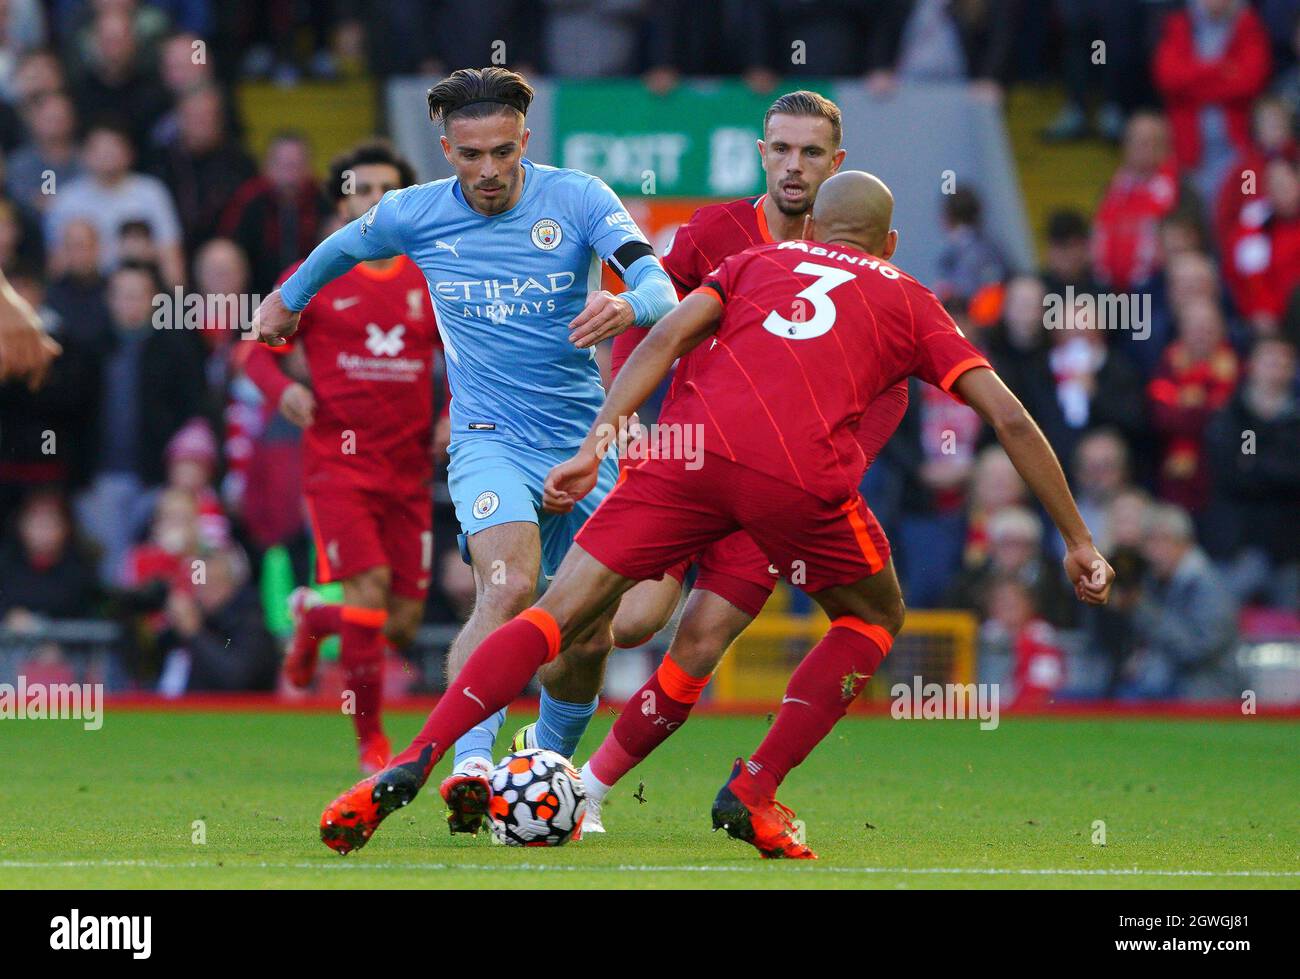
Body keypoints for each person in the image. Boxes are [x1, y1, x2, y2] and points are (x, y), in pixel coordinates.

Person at [313, 170, 1114, 860]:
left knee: (559, 612)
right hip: (794, 478)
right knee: (873, 617)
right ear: (889, 241)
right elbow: (1006, 417)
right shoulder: (911, 299)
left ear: (818, 219)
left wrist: (600, 442)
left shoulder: (755, 260)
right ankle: (755, 785)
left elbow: (662, 336)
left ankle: (415, 758)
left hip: (685, 456)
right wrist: (1077, 539)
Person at [253, 67, 676, 829]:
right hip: (490, 439)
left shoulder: (580, 199)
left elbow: (662, 290)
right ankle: (473, 762)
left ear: (525, 139)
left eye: (503, 152)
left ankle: (547, 772)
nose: (487, 171)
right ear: (446, 148)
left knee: (601, 631)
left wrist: (624, 300)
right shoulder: (413, 212)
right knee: (507, 584)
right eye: (471, 154)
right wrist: (287, 303)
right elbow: (339, 248)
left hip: (586, 439)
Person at [537, 90, 909, 834]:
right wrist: (626, 414)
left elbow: (889, 387)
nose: (794, 165)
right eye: (782, 148)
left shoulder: (865, 263)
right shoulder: (715, 229)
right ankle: (544, 717)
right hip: (687, 459)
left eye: (811, 153)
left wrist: (831, 474)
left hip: (775, 488)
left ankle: (587, 790)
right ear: (762, 152)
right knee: (636, 622)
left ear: (835, 164)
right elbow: (653, 317)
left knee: (700, 642)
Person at [243, 140, 440, 773]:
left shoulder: (430, 276)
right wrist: (286, 389)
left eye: (388, 191)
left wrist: (448, 418)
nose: (374, 201)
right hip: (338, 466)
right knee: (371, 590)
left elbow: (468, 358)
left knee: (403, 624)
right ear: (341, 203)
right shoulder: (315, 273)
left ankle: (313, 619)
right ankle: (371, 745)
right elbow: (254, 349)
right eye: (361, 190)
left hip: (408, 472)